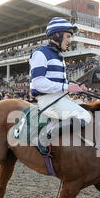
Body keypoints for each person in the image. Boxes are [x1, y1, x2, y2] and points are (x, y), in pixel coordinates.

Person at [29, 17, 91, 154]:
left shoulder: (58, 56)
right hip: (48, 100)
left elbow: (60, 83)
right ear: (57, 34)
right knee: (84, 117)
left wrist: (77, 86)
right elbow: (38, 82)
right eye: (68, 36)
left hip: (59, 99)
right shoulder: (40, 53)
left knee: (88, 109)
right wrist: (67, 87)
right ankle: (43, 137)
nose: (70, 40)